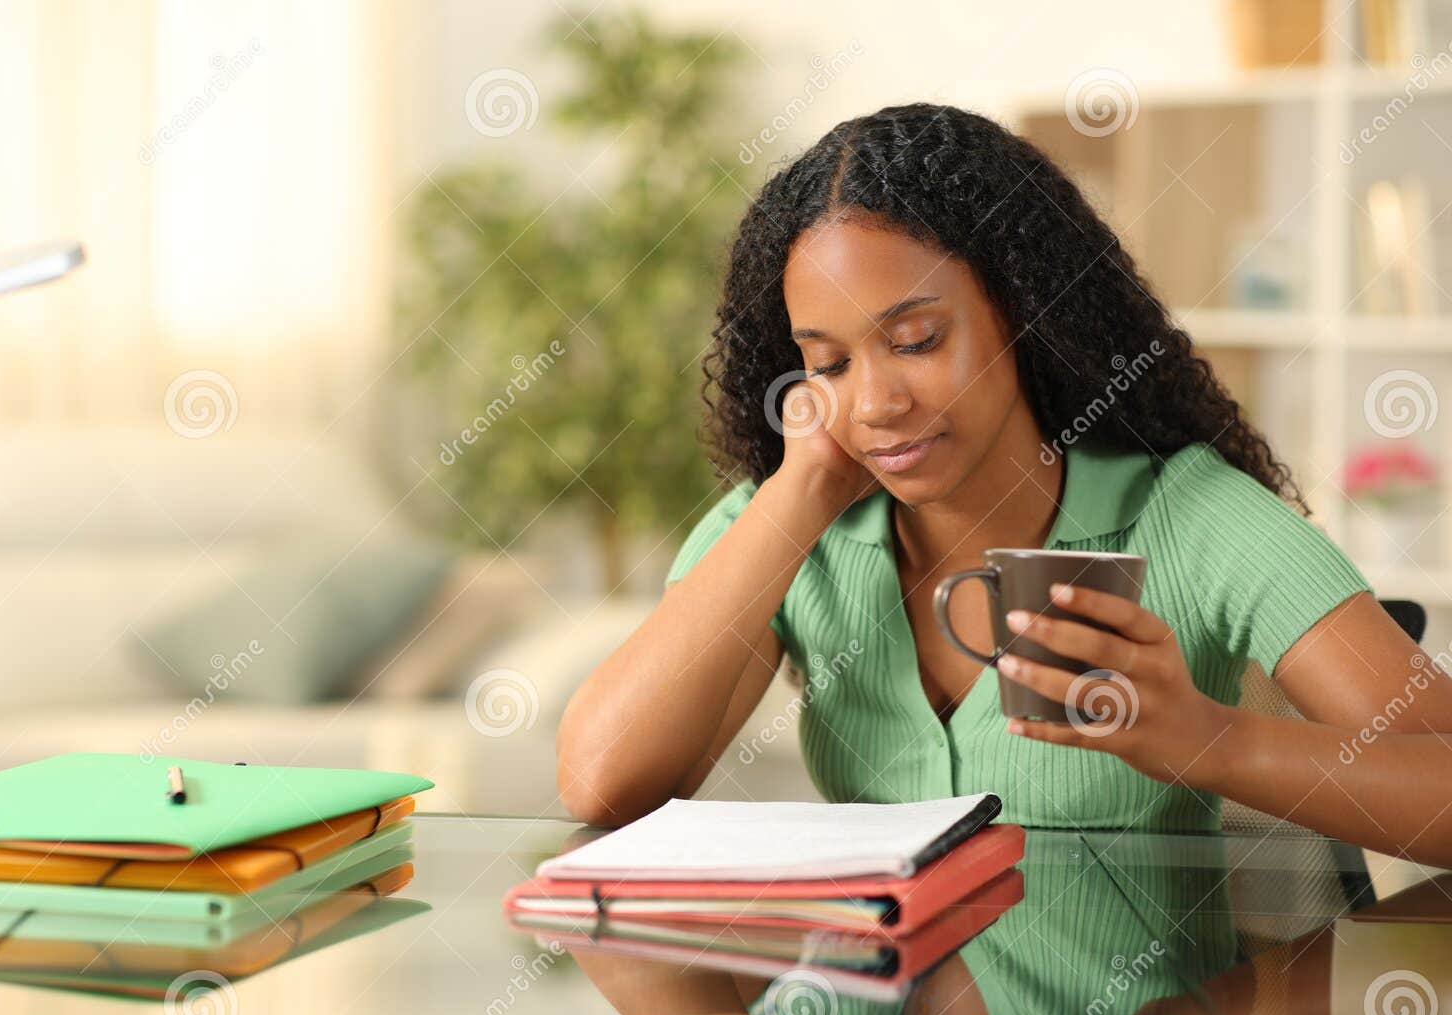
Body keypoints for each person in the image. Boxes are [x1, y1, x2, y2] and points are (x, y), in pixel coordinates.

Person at [556, 103, 1452, 866]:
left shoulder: (1189, 515)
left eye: (914, 342)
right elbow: (602, 783)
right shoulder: (789, 521)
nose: (875, 401)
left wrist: (1214, 743)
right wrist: (798, 498)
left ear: (1025, 312)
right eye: (827, 363)